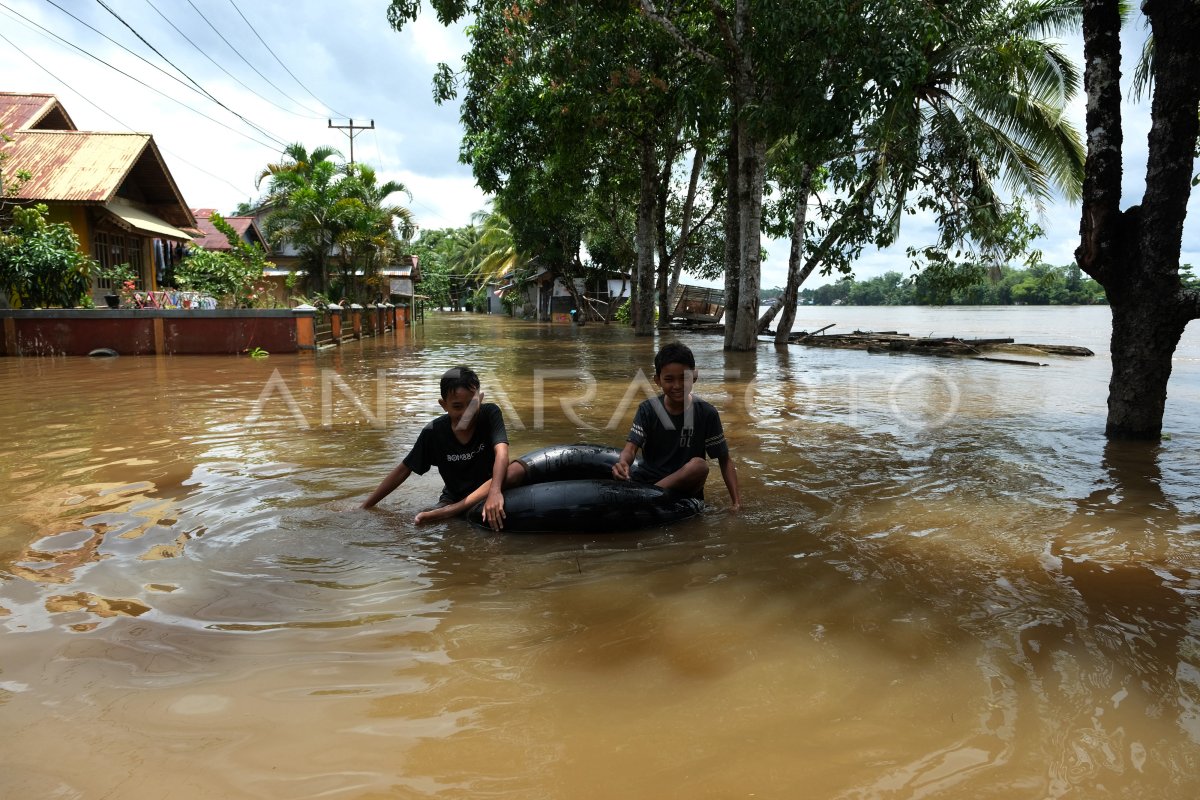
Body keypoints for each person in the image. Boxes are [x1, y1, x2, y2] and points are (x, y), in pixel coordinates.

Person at [362, 366, 524, 529]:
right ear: (444, 405)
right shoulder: (434, 432)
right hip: (453, 498)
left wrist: (495, 491)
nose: (467, 413)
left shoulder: (490, 413)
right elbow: (403, 470)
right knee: (422, 523)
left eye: (472, 404)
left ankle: (451, 511)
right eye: (457, 406)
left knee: (515, 469)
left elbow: (502, 453)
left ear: (480, 399)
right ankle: (448, 511)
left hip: (491, 485)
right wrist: (365, 506)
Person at [612, 341, 740, 510]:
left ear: (694, 376)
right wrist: (622, 463)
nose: (678, 386)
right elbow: (630, 449)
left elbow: (725, 460)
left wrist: (737, 503)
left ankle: (646, 497)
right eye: (669, 380)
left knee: (699, 465)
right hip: (648, 480)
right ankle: (648, 495)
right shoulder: (648, 409)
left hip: (685, 489)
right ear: (657, 380)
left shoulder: (707, 413)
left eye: (684, 378)